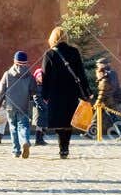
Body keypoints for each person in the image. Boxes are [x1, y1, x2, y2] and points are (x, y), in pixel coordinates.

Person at [39, 26, 91, 159]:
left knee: (59, 122)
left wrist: (44, 94)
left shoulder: (49, 54)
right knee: (68, 122)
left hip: (55, 94)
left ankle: (62, 148)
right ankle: (65, 148)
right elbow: (81, 73)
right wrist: (86, 90)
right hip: (71, 92)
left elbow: (45, 76)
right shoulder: (74, 52)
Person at [0, 50, 37, 158]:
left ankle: (16, 150)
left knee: (13, 127)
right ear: (26, 62)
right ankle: (25, 141)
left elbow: (1, 91)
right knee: (23, 125)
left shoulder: (7, 74)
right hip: (23, 105)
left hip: (10, 105)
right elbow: (34, 91)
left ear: (14, 61)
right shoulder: (30, 76)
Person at [93, 58, 121, 139]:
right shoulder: (111, 73)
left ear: (103, 64)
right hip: (110, 99)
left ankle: (91, 133)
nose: (97, 65)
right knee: (112, 117)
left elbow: (104, 90)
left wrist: (98, 102)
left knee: (108, 117)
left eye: (98, 64)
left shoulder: (106, 74)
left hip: (108, 100)